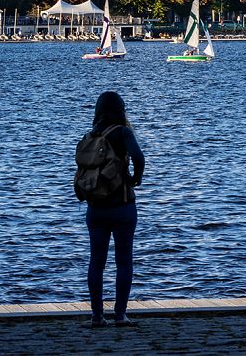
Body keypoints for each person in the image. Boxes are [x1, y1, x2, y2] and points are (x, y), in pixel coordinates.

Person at [81, 91, 145, 328]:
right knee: (124, 262)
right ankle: (120, 315)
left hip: (95, 207)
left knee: (96, 262)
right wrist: (135, 179)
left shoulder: (91, 135)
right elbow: (139, 157)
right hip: (122, 205)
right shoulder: (123, 132)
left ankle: (97, 315)